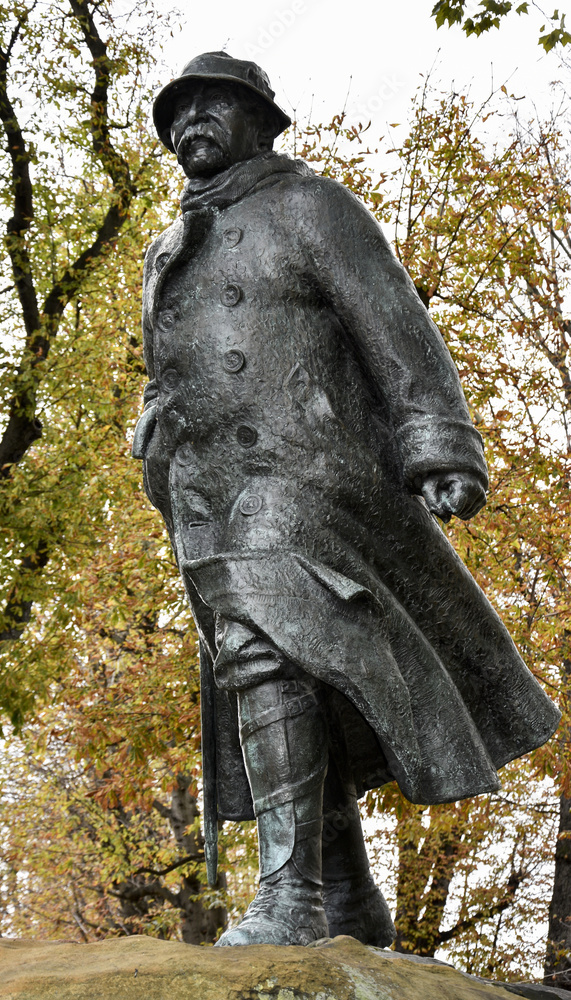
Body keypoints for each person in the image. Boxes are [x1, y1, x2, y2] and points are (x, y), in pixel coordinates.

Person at [132, 51, 560, 947]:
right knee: (290, 666)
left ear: (262, 122)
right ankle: (348, 894)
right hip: (205, 485)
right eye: (179, 113)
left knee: (263, 648)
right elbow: (165, 366)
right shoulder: (169, 244)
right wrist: (150, 430)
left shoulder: (310, 205)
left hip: (309, 466)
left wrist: (439, 443)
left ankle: (288, 897)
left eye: (215, 107)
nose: (192, 124)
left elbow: (392, 322)